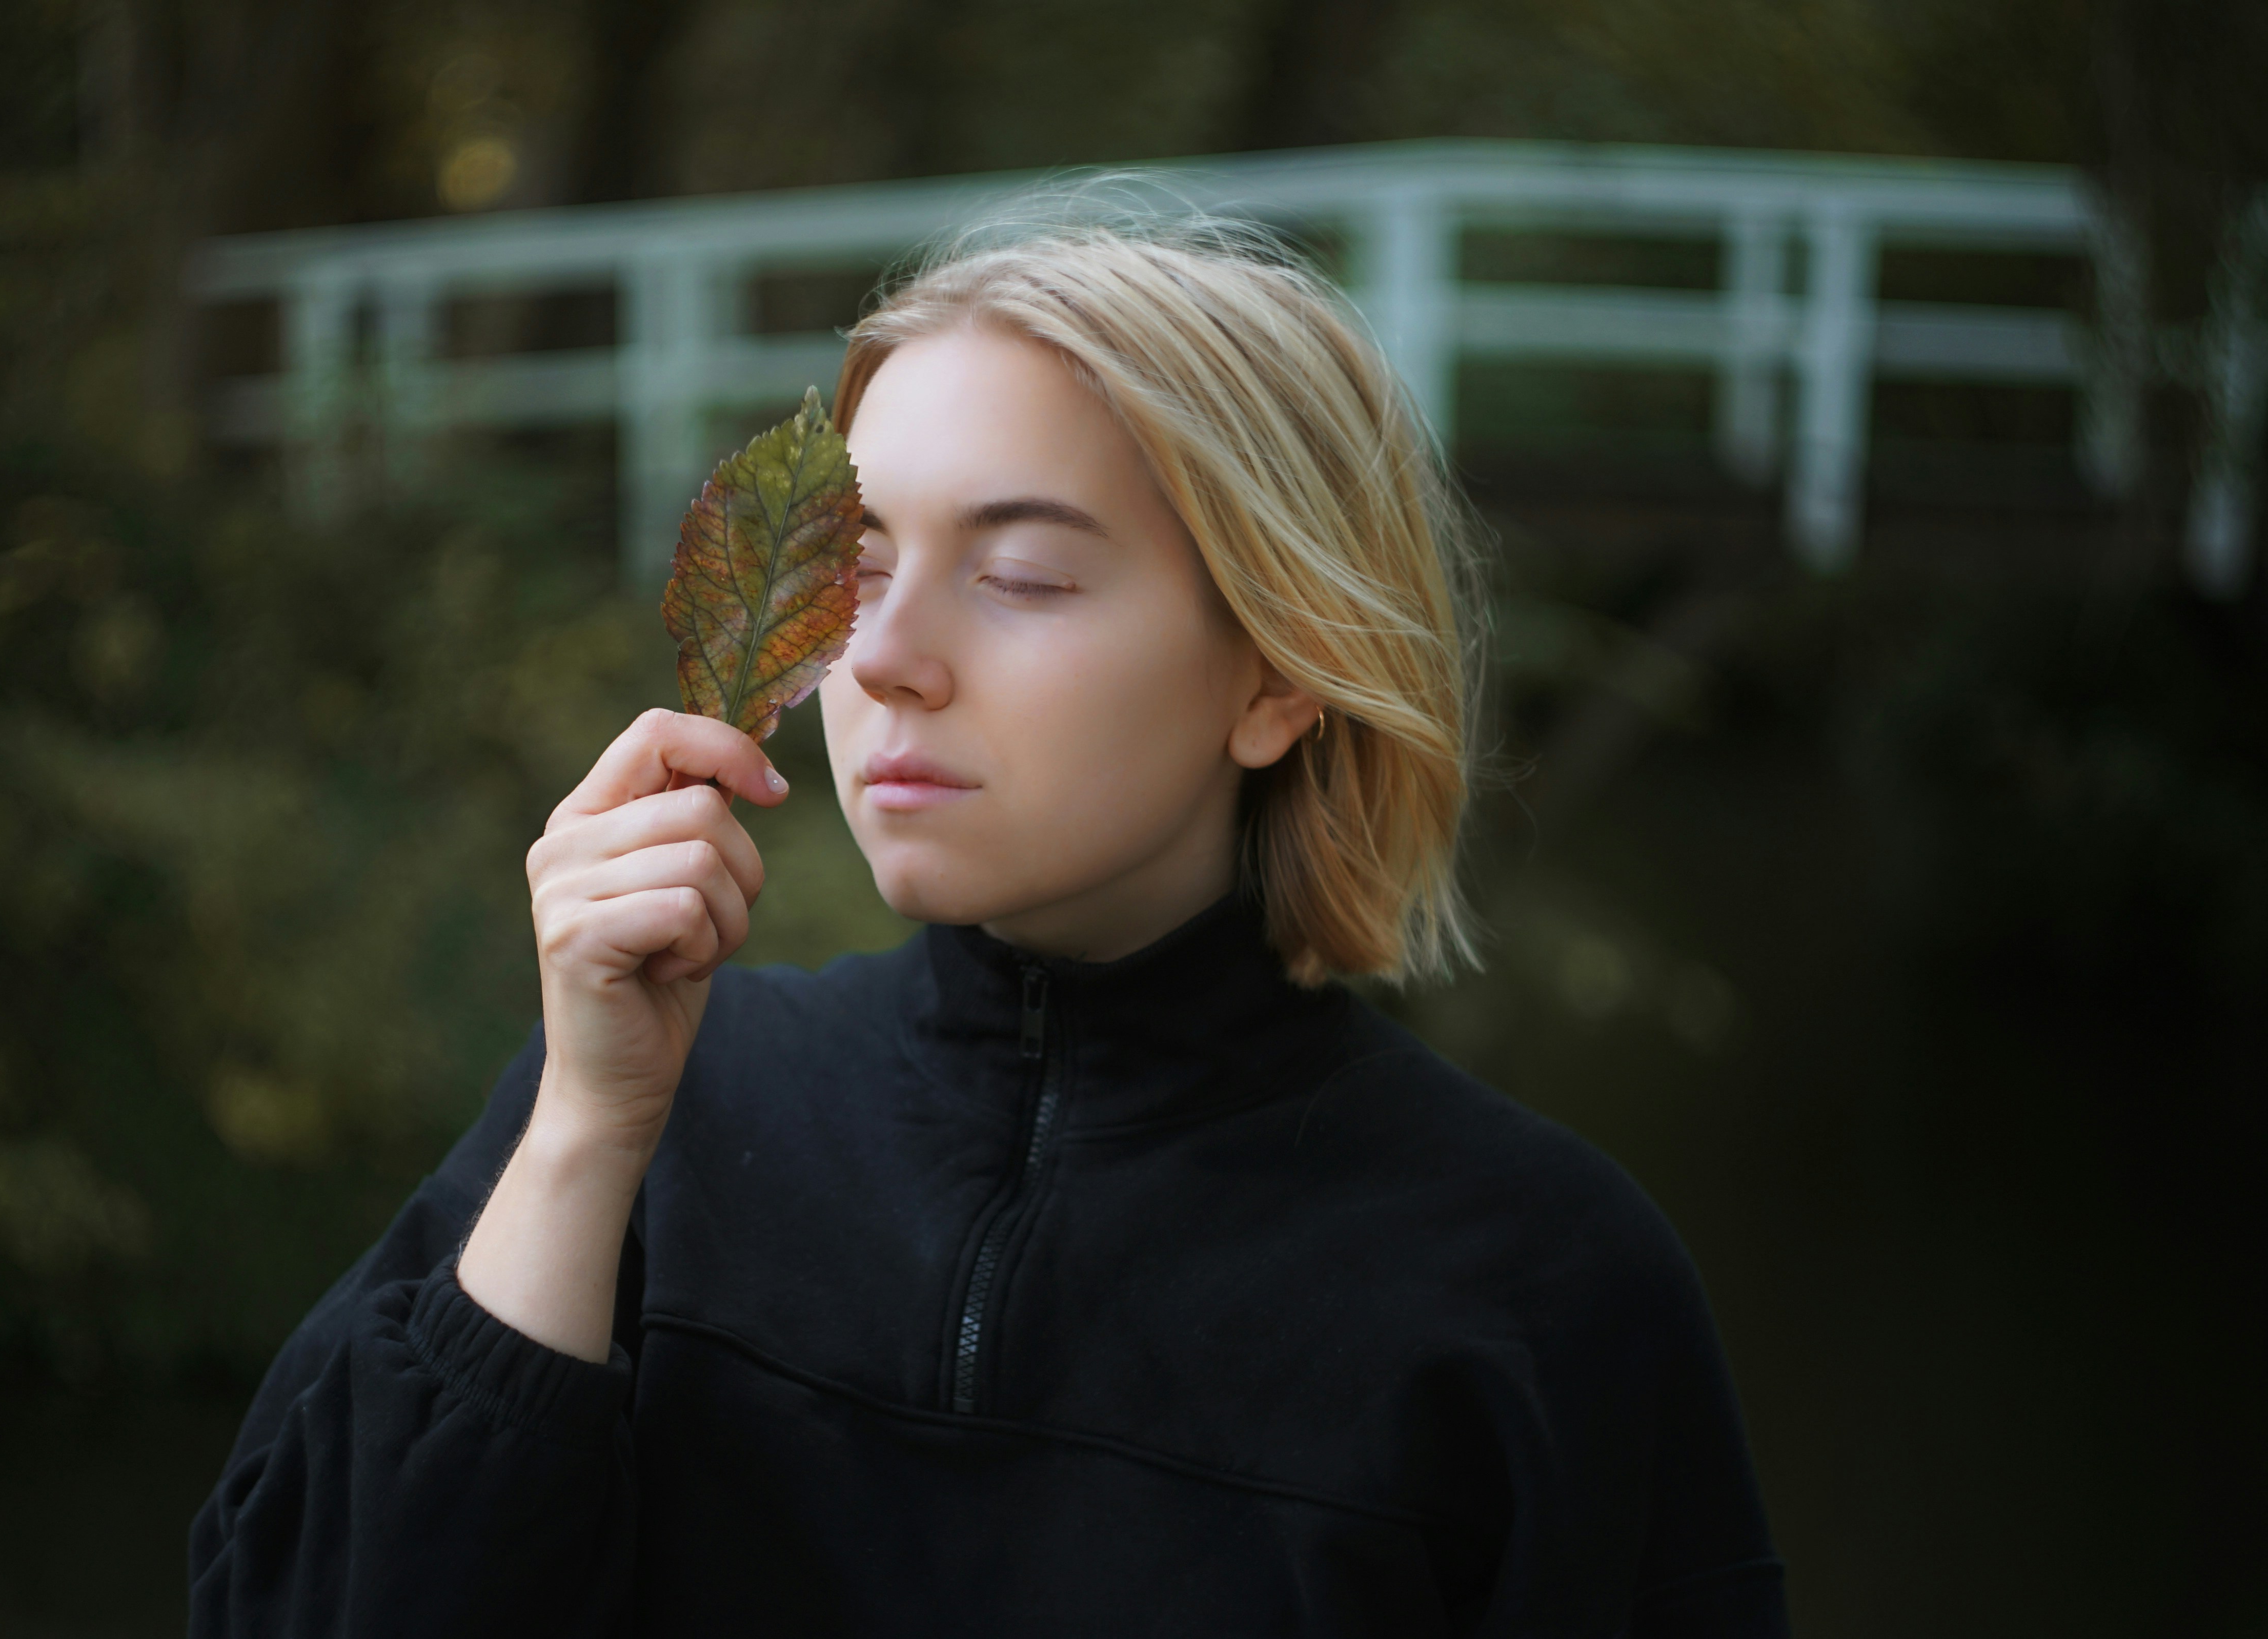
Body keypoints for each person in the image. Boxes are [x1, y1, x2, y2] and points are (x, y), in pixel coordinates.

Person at [188, 212, 1787, 1636]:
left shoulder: (1541, 1283)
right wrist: (583, 1141)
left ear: (1280, 672)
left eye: (1020, 575)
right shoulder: (659, 1116)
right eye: (858, 566)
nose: (887, 657)